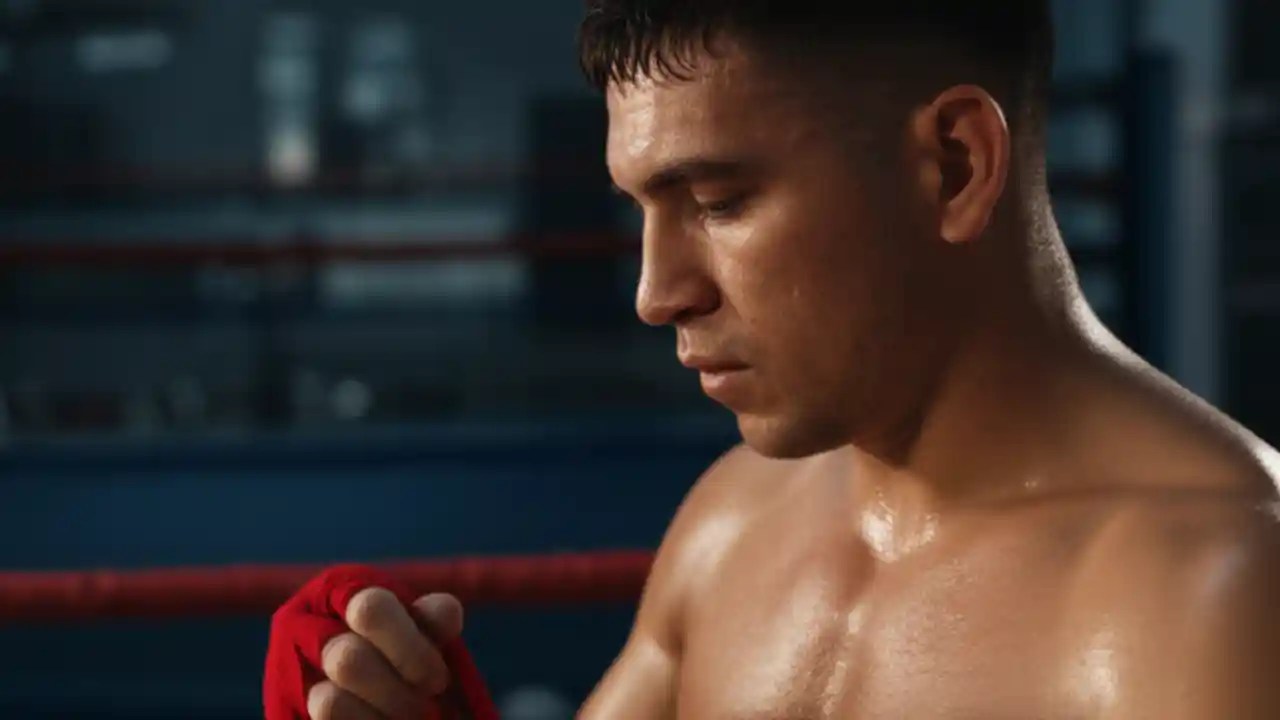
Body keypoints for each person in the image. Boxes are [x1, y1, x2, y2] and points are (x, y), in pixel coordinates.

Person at [267, 2, 1280, 718]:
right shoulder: (731, 522)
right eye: (642, 212)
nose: (656, 291)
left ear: (955, 166)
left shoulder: (1211, 593)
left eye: (716, 202)